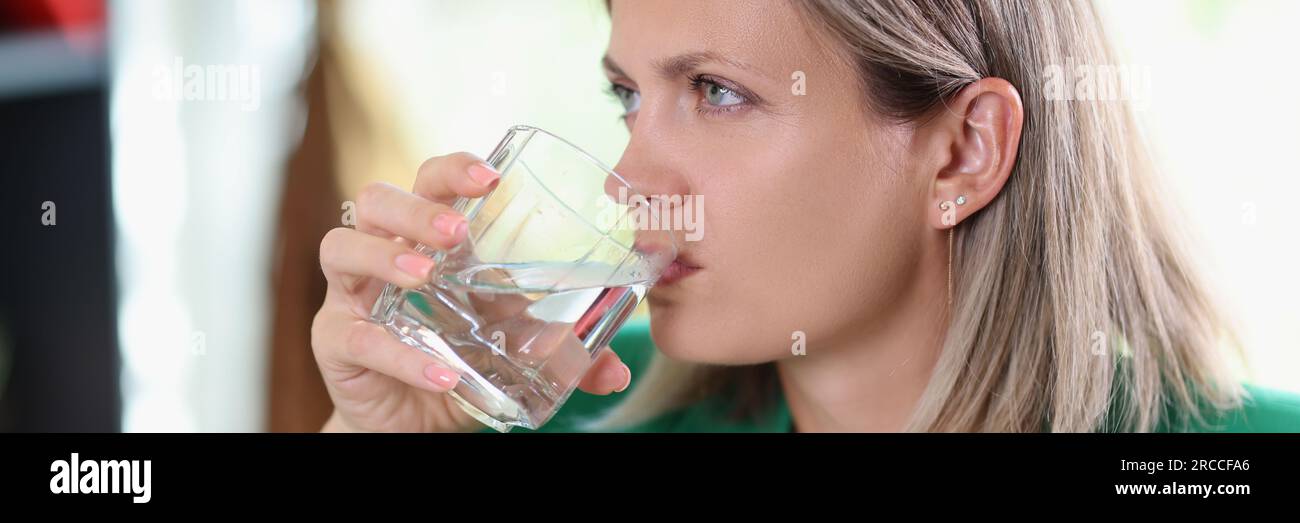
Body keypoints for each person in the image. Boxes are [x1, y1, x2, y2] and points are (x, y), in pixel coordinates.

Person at [311, 0, 1300, 433]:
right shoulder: (559, 404)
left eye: (716, 92)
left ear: (964, 152)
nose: (625, 182)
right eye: (628, 97)